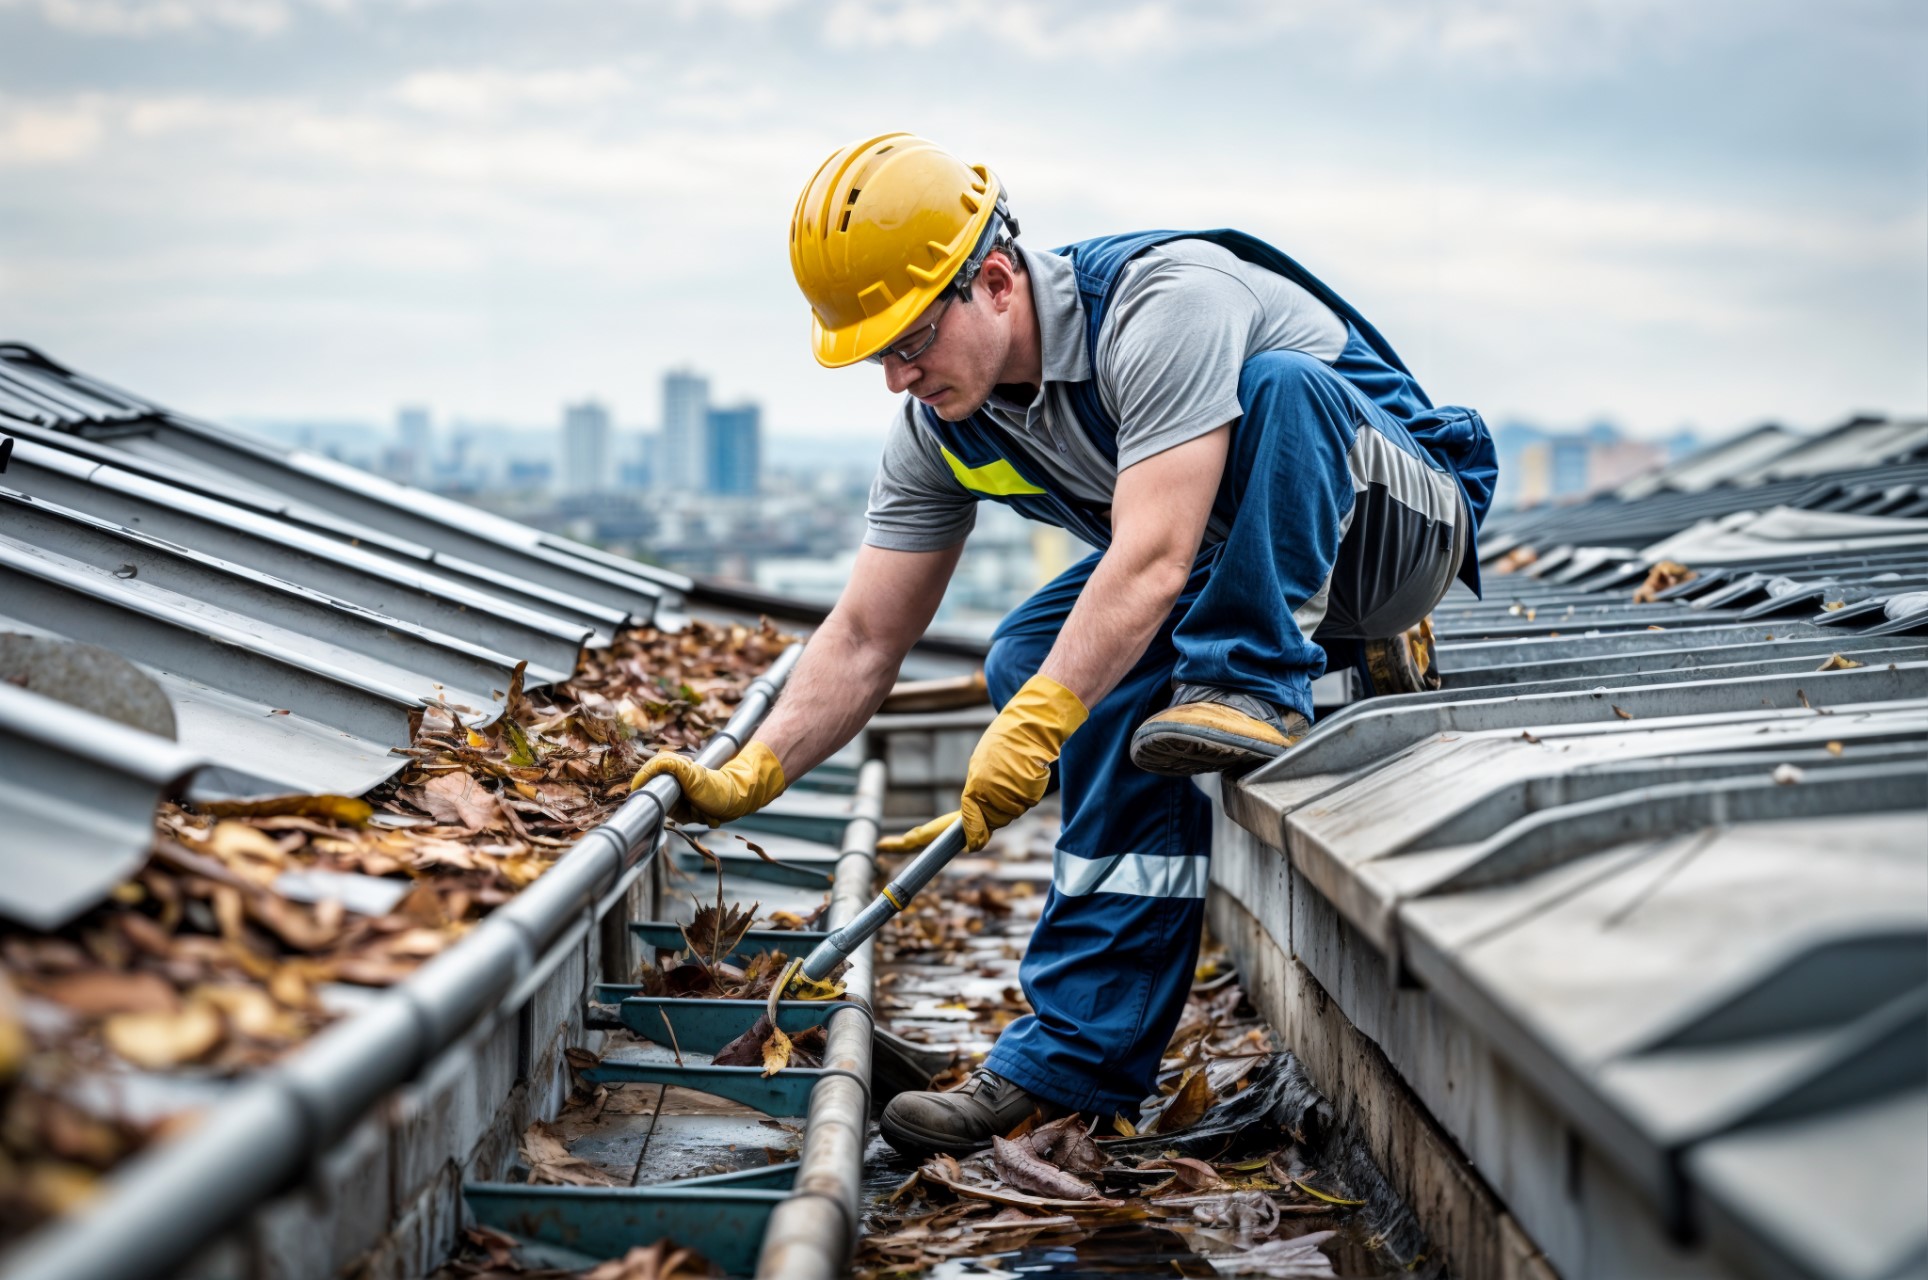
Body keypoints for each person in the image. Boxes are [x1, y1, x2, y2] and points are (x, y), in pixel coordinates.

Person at [633, 133, 1496, 1155]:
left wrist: (1047, 716)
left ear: (993, 280)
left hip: (1394, 527)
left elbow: (1151, 557)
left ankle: (1270, 676)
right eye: (876, 356)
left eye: (908, 342)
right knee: (1027, 651)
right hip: (1238, 560)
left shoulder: (1162, 302)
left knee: (1276, 393)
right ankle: (1077, 1066)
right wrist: (753, 768)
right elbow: (866, 633)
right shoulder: (943, 427)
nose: (896, 377)